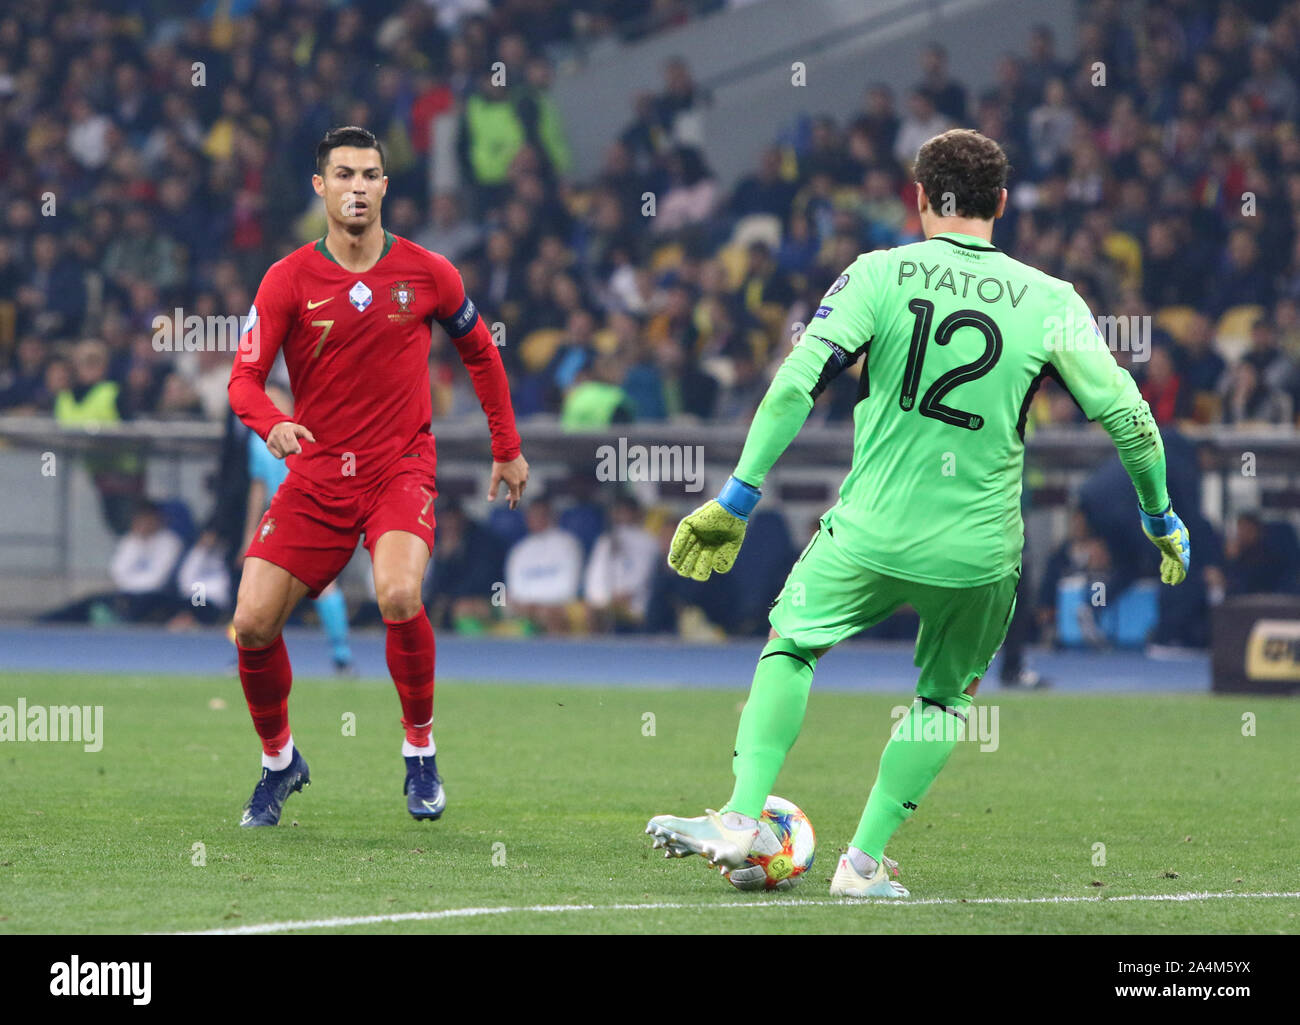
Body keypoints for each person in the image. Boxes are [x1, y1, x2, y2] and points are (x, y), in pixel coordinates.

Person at [645, 130, 1190, 898]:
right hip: (979, 551)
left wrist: (738, 495)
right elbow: (1131, 421)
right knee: (944, 698)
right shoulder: (1051, 299)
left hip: (869, 532)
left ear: (920, 196)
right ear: (1002, 203)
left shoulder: (878, 273)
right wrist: (1159, 516)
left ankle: (740, 814)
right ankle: (862, 864)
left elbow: (798, 381)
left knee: (792, 644)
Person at [227, 126, 528, 827]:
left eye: (369, 175)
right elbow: (243, 378)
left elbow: (482, 354)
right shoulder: (286, 279)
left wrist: (507, 447)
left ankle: (420, 751)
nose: (357, 187)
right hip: (317, 474)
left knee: (397, 593)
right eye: (343, 174)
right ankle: (279, 762)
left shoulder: (430, 272)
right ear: (320, 186)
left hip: (399, 468)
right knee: (251, 624)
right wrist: (272, 422)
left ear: (385, 186)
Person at [239, 383, 355, 674]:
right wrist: (249, 534)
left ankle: (341, 653)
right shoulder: (259, 440)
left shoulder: (309, 432)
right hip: (279, 519)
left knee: (324, 584)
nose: (272, 406)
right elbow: (257, 488)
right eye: (267, 400)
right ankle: (246, 654)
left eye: (277, 400)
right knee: (256, 587)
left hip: (312, 513)